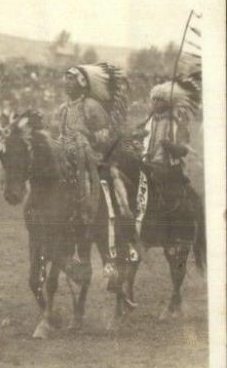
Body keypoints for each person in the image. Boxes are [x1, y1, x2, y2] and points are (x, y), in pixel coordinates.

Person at [56, 63, 133, 285]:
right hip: (69, 164)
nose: (66, 83)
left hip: (95, 162)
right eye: (65, 79)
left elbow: (106, 135)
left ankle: (114, 243)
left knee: (108, 193)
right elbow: (61, 135)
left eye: (71, 79)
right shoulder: (63, 109)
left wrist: (86, 141)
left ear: (81, 84)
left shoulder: (91, 106)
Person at [134, 72, 200, 241]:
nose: (155, 103)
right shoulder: (147, 121)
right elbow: (137, 142)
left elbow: (184, 150)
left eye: (160, 99)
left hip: (168, 168)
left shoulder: (177, 123)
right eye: (154, 99)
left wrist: (169, 146)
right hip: (146, 164)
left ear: (168, 102)